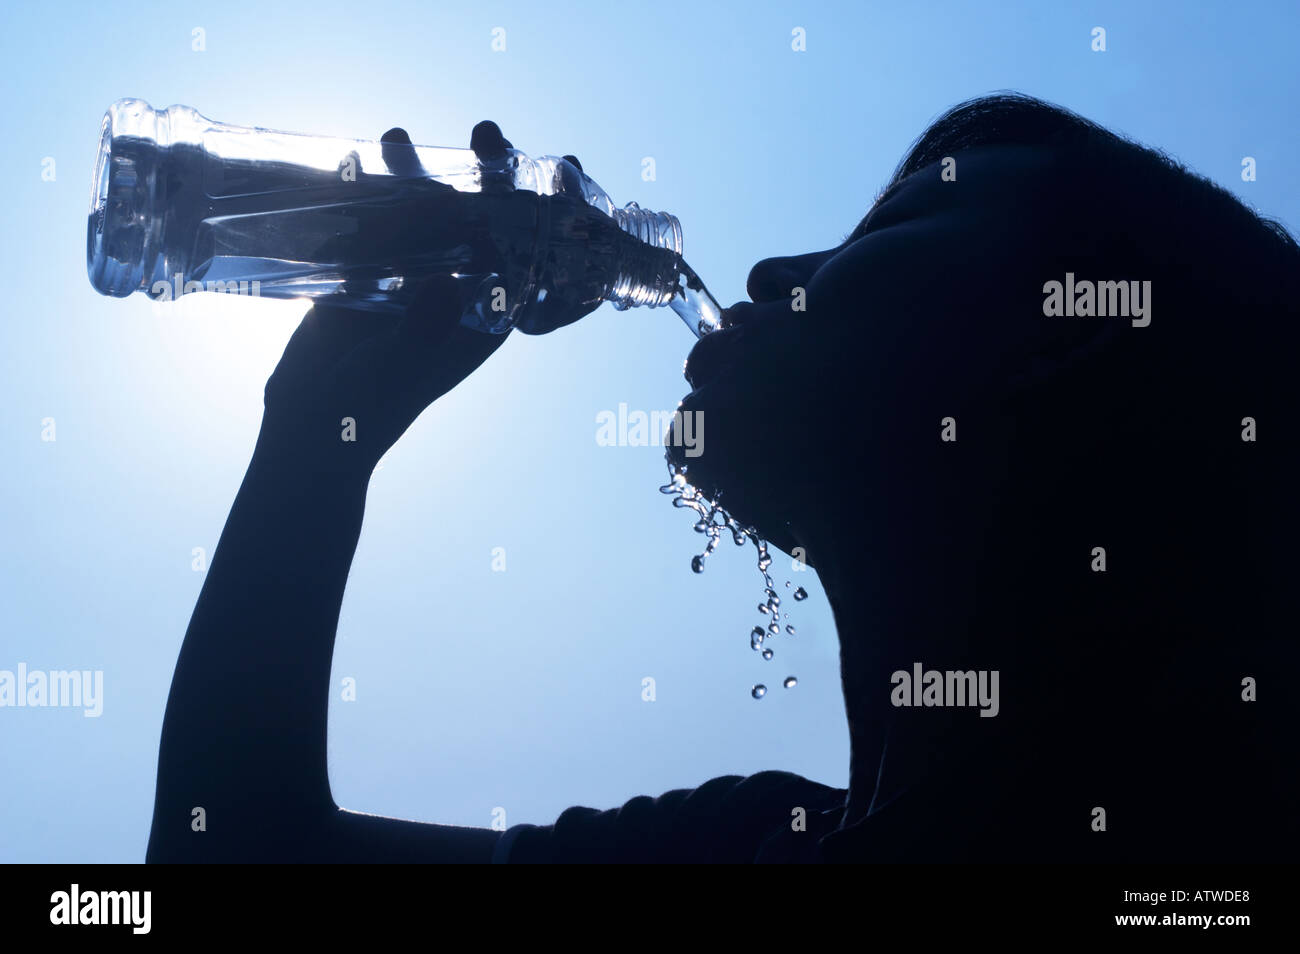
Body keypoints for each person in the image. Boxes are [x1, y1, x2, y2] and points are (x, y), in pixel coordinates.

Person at [145, 94, 1298, 863]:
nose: (770, 269)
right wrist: (319, 430)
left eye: (896, 221)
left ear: (1067, 328)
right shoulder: (751, 841)